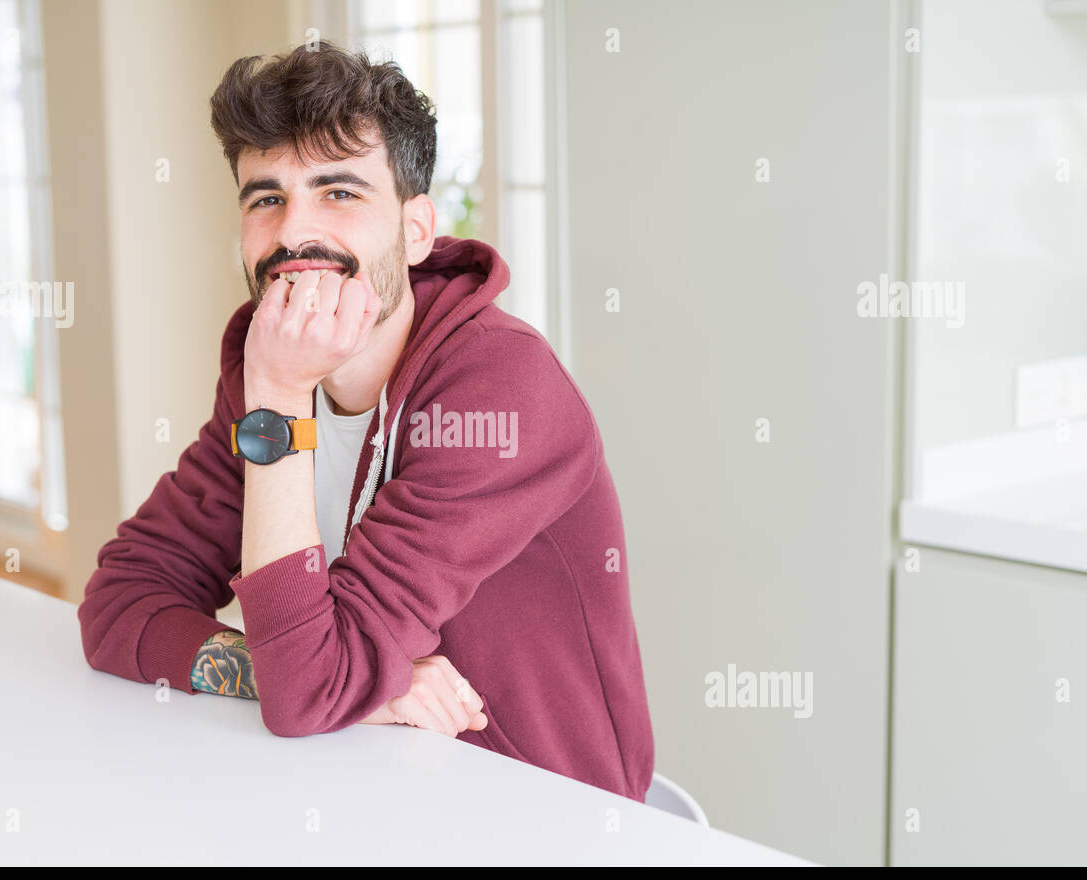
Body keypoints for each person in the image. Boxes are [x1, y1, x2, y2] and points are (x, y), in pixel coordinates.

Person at [78, 40, 655, 802]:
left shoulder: (501, 389)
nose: (292, 233)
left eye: (339, 192)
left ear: (416, 231)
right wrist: (328, 681)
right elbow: (119, 601)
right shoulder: (265, 368)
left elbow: (310, 689)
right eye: (265, 198)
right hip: (366, 790)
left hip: (545, 815)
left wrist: (280, 398)